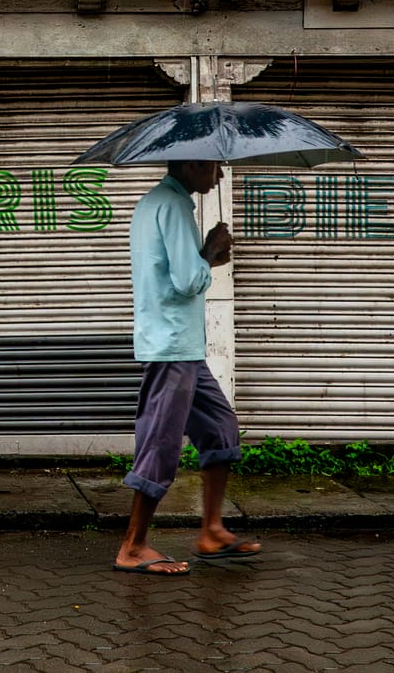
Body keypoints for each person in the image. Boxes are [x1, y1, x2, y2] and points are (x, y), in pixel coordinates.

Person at [111, 158, 263, 575]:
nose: (220, 176)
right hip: (171, 347)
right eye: (215, 167)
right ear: (194, 164)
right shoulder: (173, 207)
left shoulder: (154, 203)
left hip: (184, 347)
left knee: (220, 428)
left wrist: (201, 255)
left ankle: (211, 531)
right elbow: (186, 281)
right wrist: (210, 255)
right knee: (160, 444)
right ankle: (133, 546)